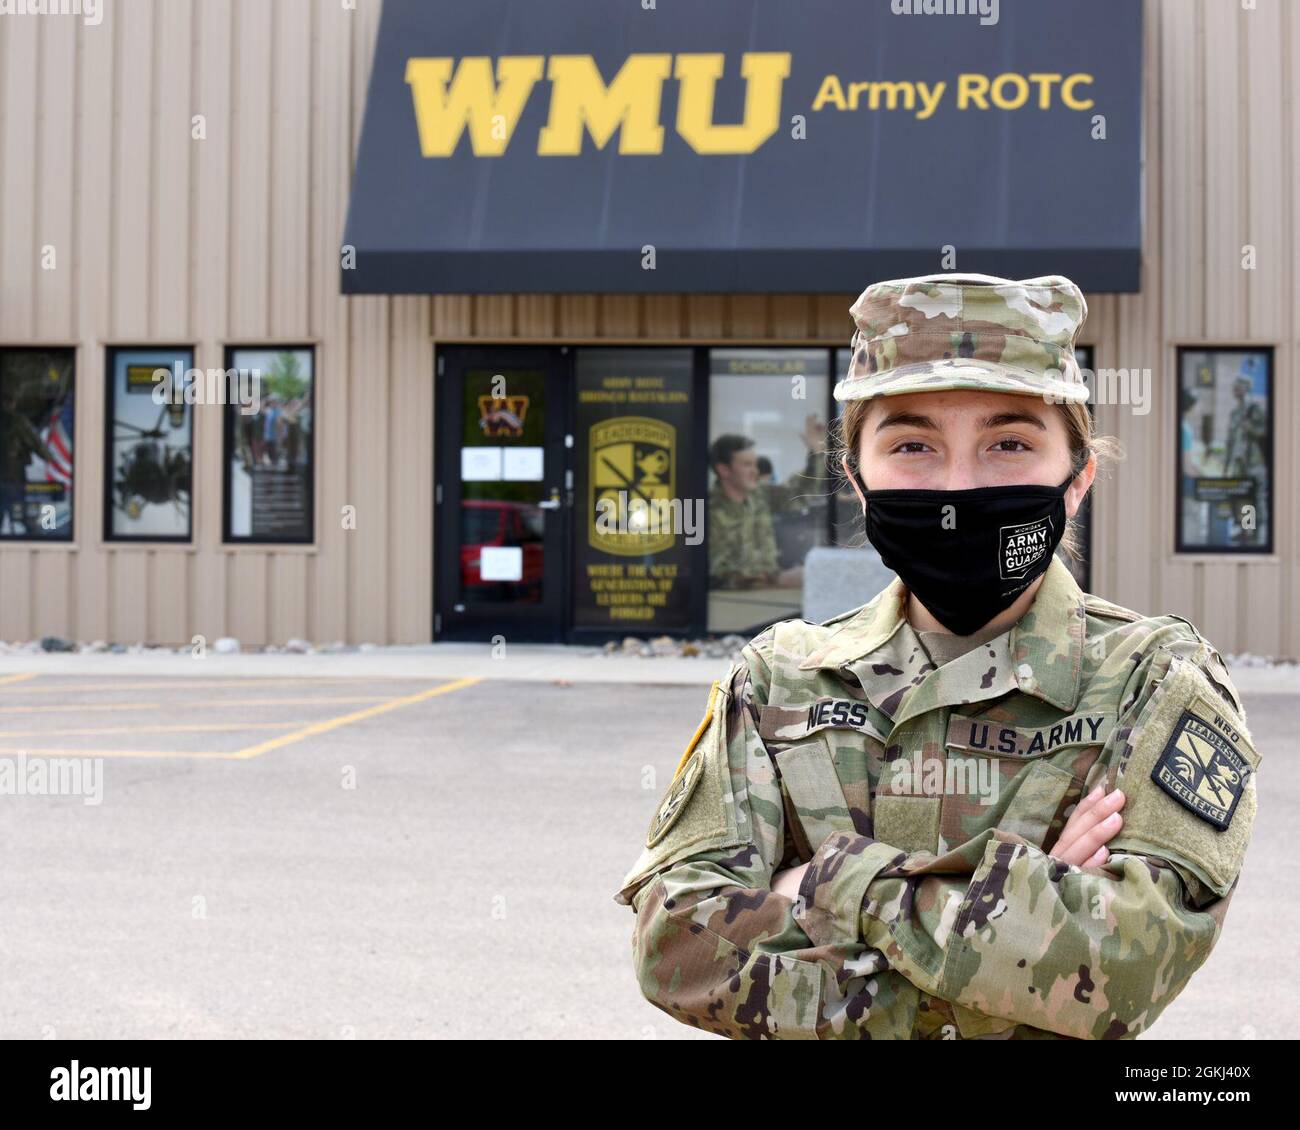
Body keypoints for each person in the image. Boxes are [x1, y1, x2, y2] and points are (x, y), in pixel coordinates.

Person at [615, 273, 1261, 1040]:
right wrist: (1014, 918)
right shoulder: (777, 679)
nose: (958, 488)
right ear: (858, 481)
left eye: (1010, 443)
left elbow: (1119, 970)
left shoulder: (1155, 681)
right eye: (913, 445)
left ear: (1077, 481)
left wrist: (823, 880)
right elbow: (676, 944)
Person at [707, 434, 801, 590]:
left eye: (755, 465)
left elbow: (801, 493)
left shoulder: (759, 496)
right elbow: (707, 577)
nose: (755, 471)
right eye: (747, 465)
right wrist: (772, 580)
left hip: (769, 599)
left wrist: (817, 452)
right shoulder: (704, 511)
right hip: (728, 605)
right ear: (724, 470)